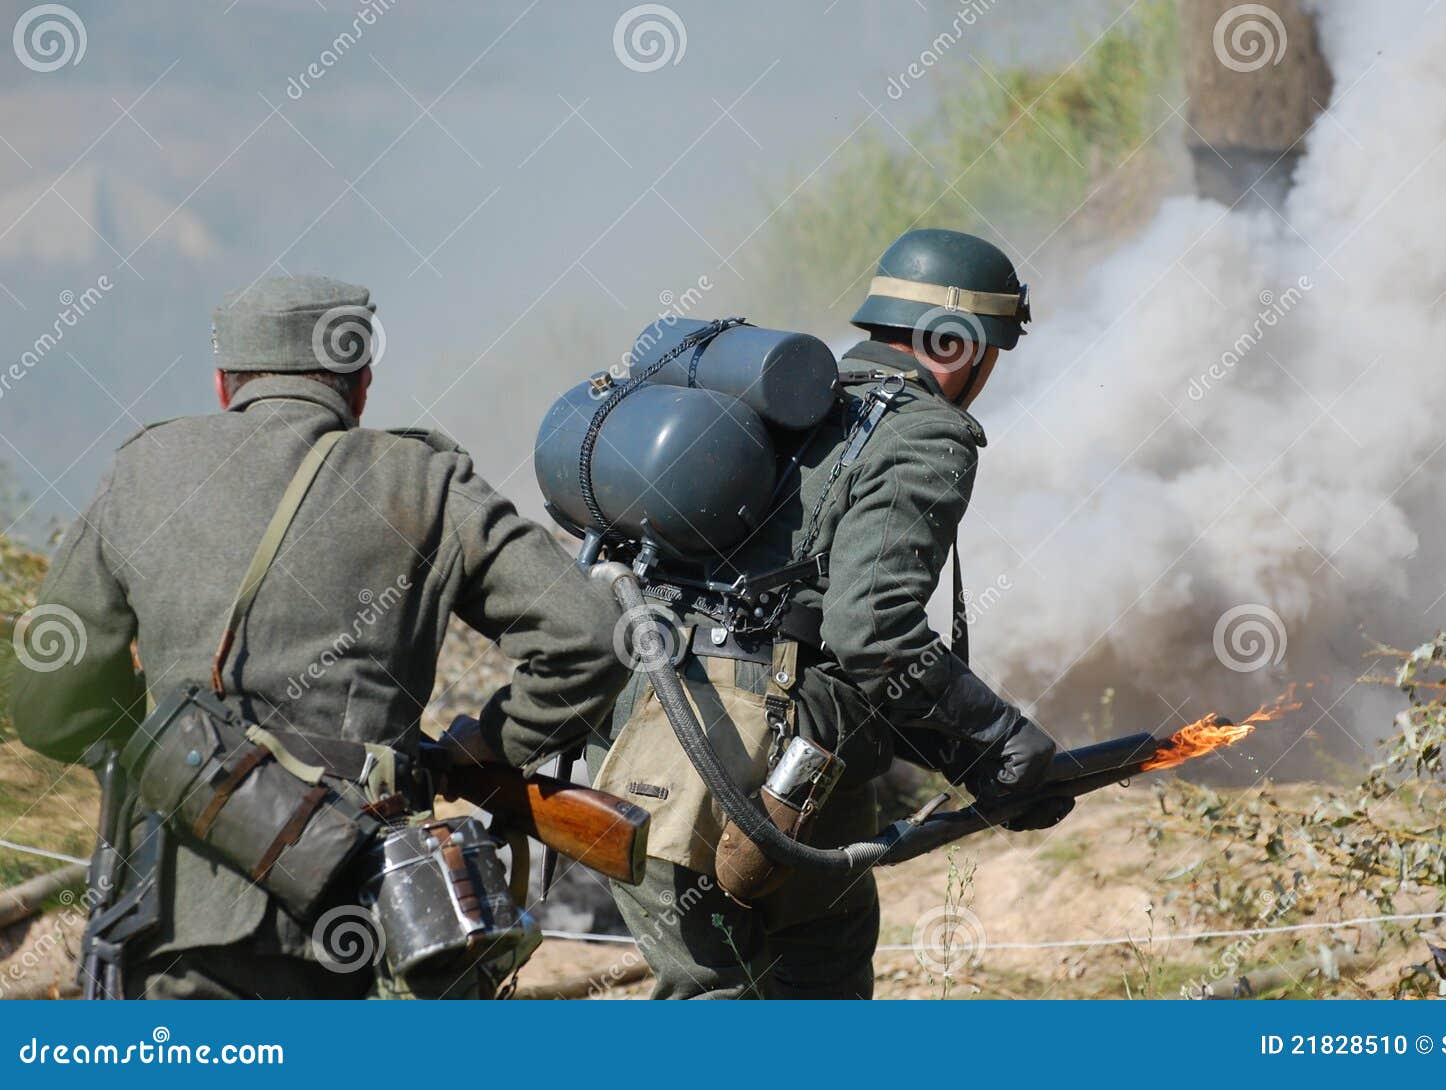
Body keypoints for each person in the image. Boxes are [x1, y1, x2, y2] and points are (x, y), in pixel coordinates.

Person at [7, 274, 625, 999]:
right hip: (354, 908)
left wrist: (169, 754)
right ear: (360, 387)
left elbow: (49, 705)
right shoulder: (422, 482)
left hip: (171, 909)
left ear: (223, 383)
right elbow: (591, 636)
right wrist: (486, 744)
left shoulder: (144, 469)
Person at [587, 228, 1068, 998]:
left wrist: (977, 761)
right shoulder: (922, 431)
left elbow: (822, 636)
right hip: (775, 755)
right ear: (960, 345)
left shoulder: (791, 408)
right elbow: (871, 634)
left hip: (644, 735)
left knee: (711, 994)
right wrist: (1000, 739)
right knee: (814, 985)